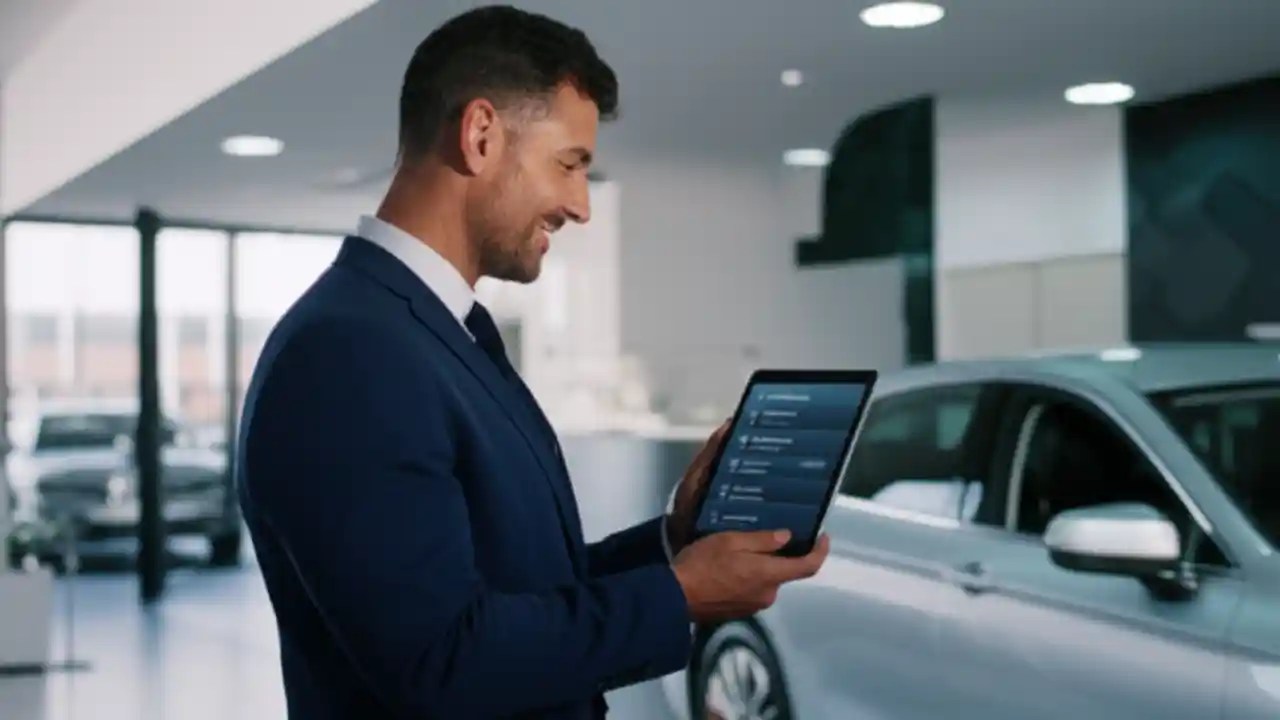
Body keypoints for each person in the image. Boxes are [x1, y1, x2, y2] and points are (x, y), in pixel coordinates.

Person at [237, 6, 829, 719]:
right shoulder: (347, 354)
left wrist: (673, 543)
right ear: (481, 135)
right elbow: (443, 661)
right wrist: (680, 596)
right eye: (569, 164)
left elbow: (523, 592)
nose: (581, 206)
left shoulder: (439, 333)